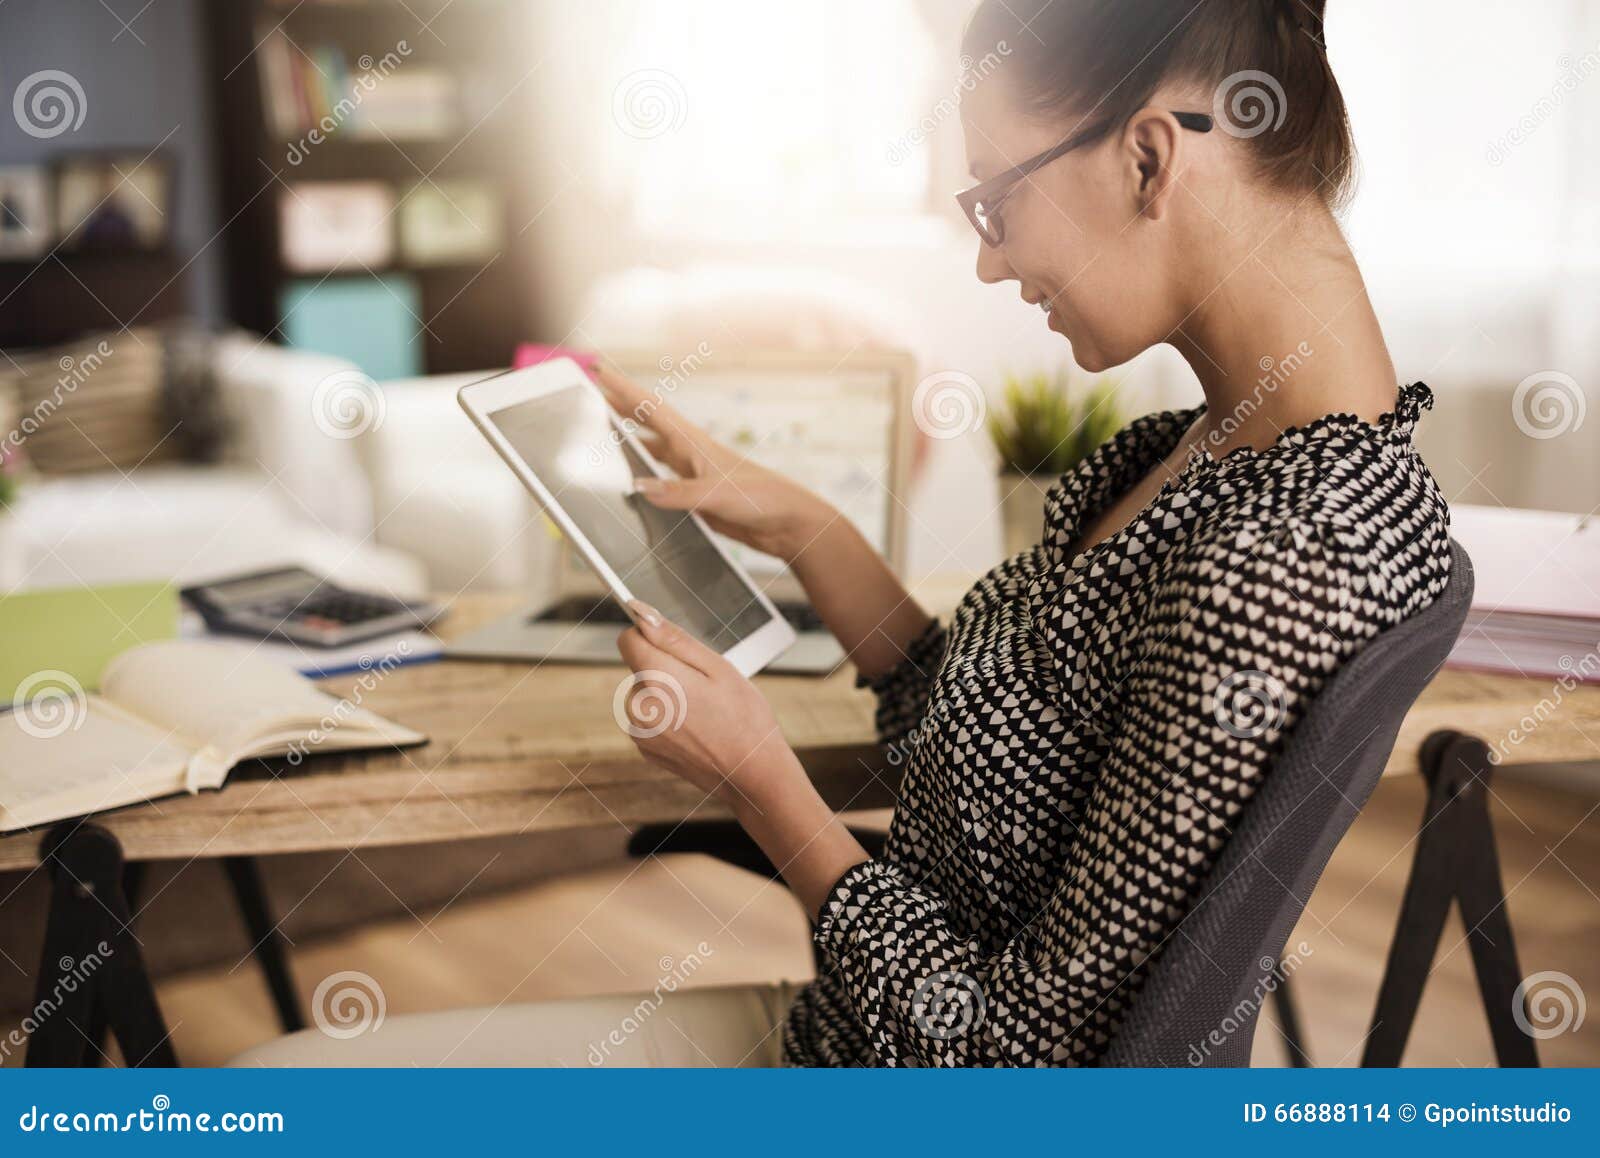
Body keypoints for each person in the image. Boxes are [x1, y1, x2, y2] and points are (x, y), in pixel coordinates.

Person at [235, 0, 1451, 1069]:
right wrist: (808, 527)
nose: (987, 259)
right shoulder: (1233, 461)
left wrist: (765, 790)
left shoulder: (1290, 545)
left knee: (271, 1098)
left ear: (1146, 157)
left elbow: (1016, 1067)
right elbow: (1005, 763)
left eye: (995, 199)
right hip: (857, 1043)